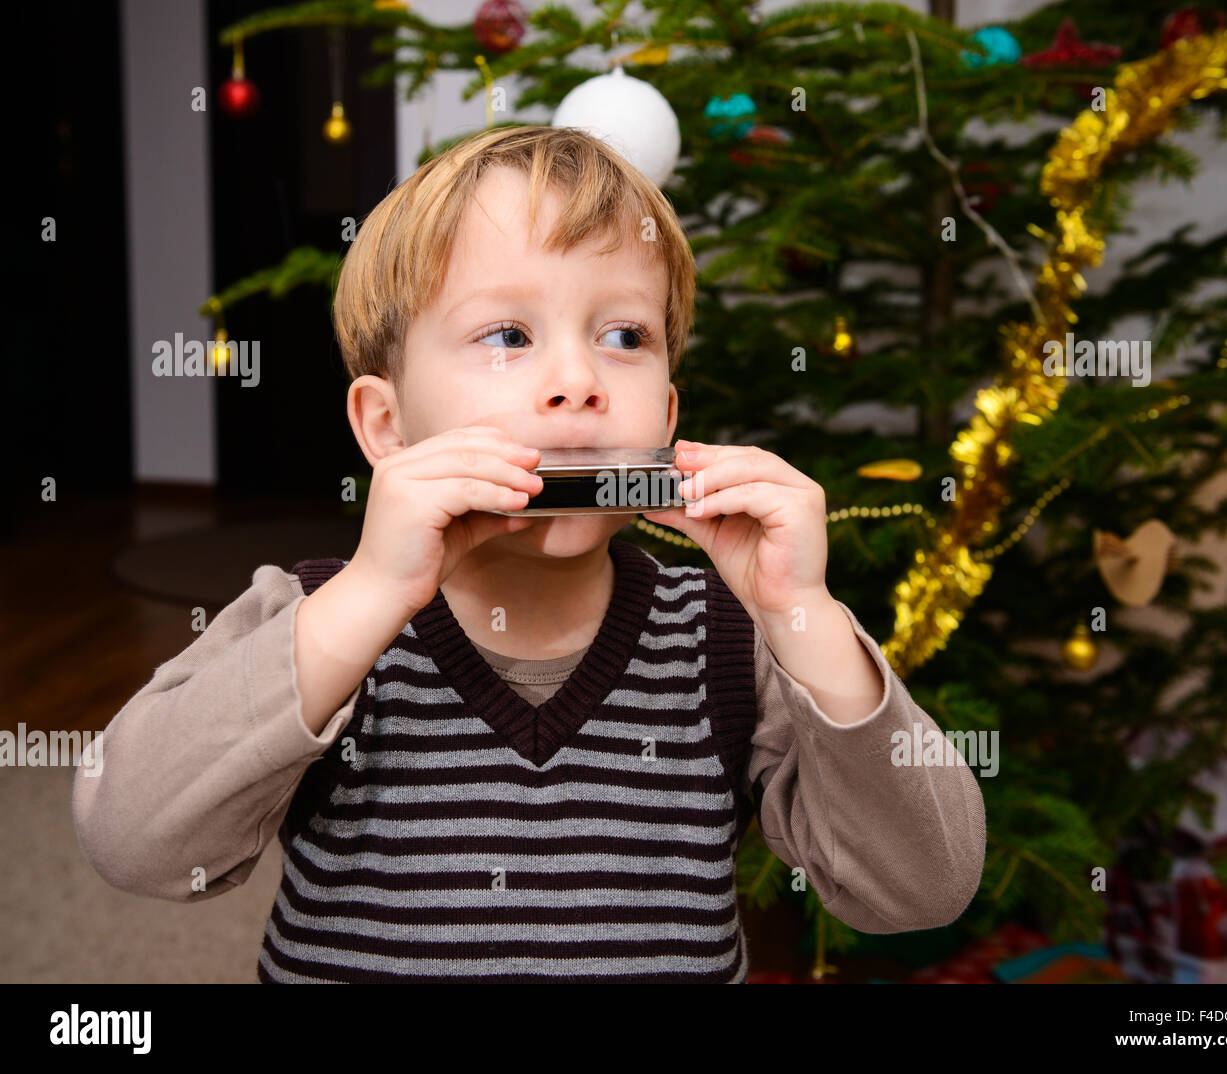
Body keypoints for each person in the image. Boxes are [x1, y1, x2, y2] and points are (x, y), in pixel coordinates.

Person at [72, 125, 985, 983]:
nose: (579, 384)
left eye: (625, 337)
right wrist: (364, 601)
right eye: (507, 336)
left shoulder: (728, 642)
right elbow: (136, 841)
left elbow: (919, 890)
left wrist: (804, 616)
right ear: (386, 428)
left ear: (666, 423)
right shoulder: (312, 620)